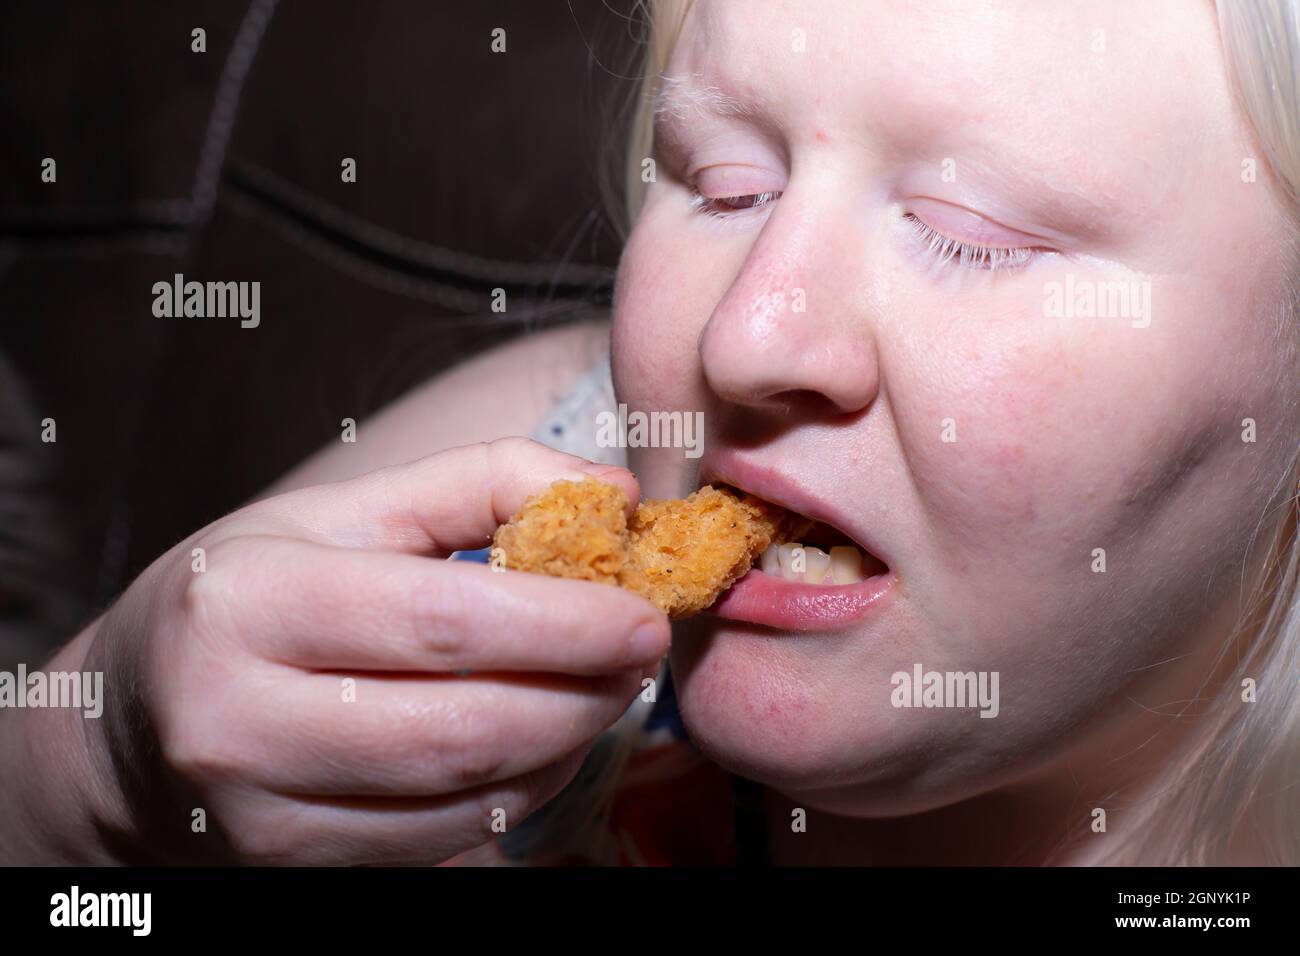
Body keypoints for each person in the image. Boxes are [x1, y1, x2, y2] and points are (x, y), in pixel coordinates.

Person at [2, 0, 1296, 866]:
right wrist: (106, 765)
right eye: (722, 182)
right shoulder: (555, 451)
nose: (744, 339)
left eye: (973, 231)